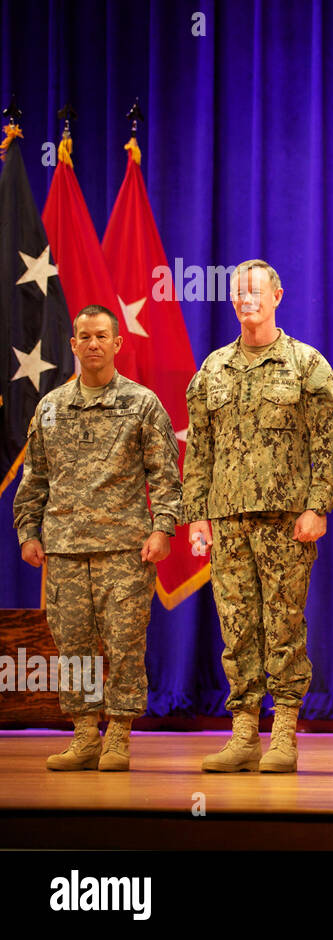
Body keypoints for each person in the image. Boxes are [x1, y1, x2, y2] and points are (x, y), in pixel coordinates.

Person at [184, 260, 333, 773]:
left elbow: (332, 439)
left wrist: (319, 505)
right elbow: (199, 450)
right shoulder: (212, 369)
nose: (246, 299)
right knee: (237, 628)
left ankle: (284, 735)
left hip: (286, 520)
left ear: (277, 295)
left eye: (255, 290)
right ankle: (242, 735)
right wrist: (196, 517)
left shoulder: (305, 364)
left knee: (283, 626)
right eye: (238, 292)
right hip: (228, 519)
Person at [13, 305, 181, 771]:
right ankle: (86, 734)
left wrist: (163, 528)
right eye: (84, 336)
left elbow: (165, 474)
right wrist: (29, 531)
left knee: (126, 643)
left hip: (125, 549)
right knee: (74, 645)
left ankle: (119, 738)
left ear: (117, 342)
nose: (93, 344)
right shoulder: (50, 407)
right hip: (64, 551)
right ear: (73, 344)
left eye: (102, 336)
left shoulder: (142, 403)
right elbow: (35, 478)